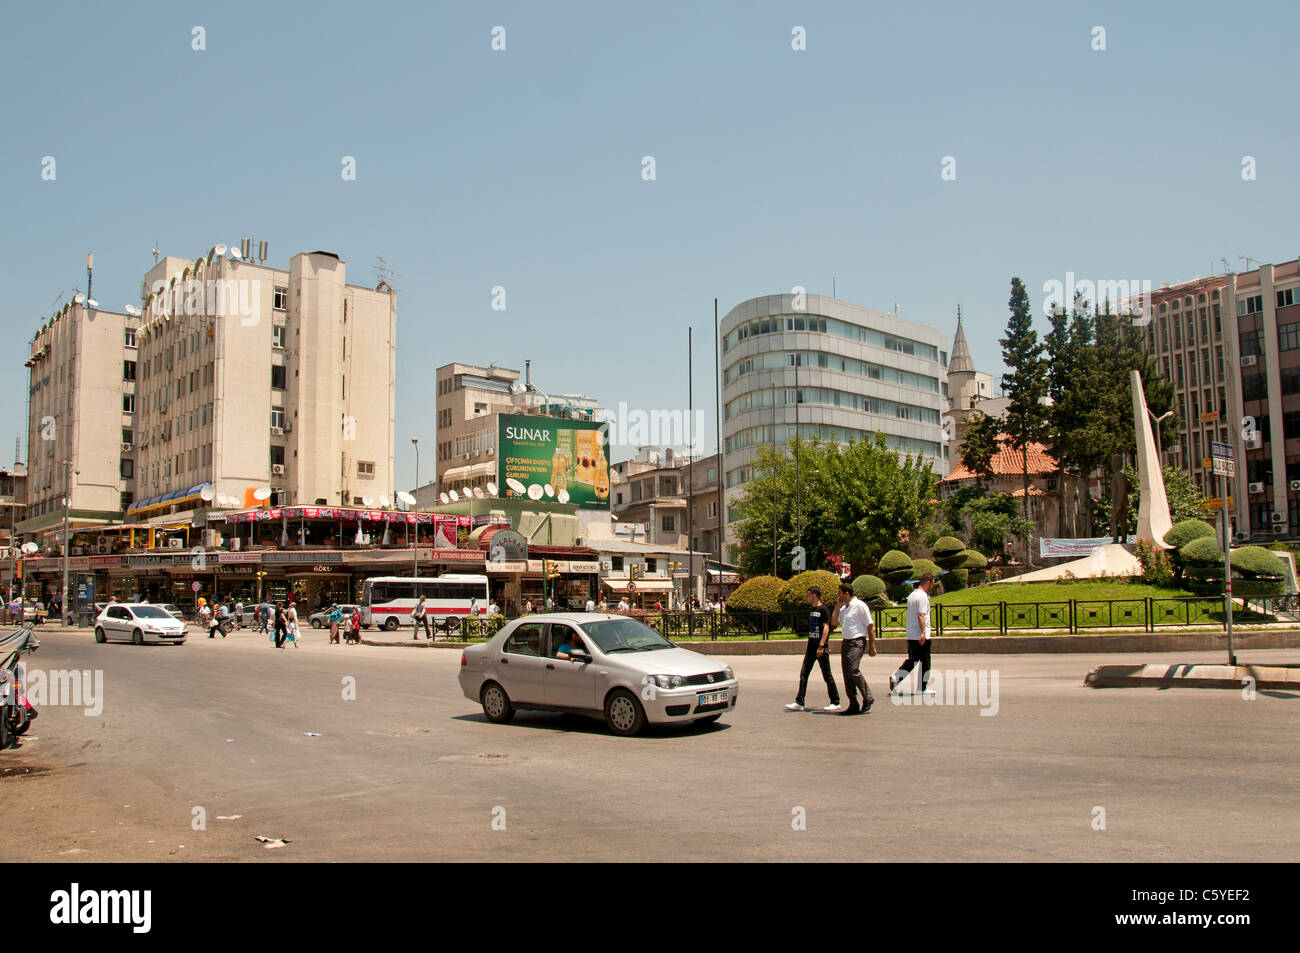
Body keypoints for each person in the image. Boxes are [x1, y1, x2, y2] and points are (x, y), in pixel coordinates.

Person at [785, 586, 842, 712]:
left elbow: (826, 628)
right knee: (804, 673)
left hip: (820, 648)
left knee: (827, 675)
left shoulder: (823, 609)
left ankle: (835, 701)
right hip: (811, 647)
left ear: (814, 595)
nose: (807, 598)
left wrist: (821, 646)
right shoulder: (812, 609)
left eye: (808, 595)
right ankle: (799, 702)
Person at [832, 583, 876, 715]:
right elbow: (834, 622)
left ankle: (868, 697)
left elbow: (870, 626)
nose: (838, 595)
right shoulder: (843, 609)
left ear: (846, 593)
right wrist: (837, 606)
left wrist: (872, 645)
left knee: (853, 669)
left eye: (839, 593)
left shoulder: (860, 606)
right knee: (847, 673)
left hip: (857, 642)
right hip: (846, 642)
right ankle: (853, 703)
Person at [891, 573, 935, 696]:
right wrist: (923, 633)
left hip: (911, 634)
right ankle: (922, 688)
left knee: (914, 659)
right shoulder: (922, 596)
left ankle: (897, 677)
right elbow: (921, 615)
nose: (932, 586)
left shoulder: (912, 595)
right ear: (928, 582)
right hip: (919, 634)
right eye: (932, 583)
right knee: (925, 661)